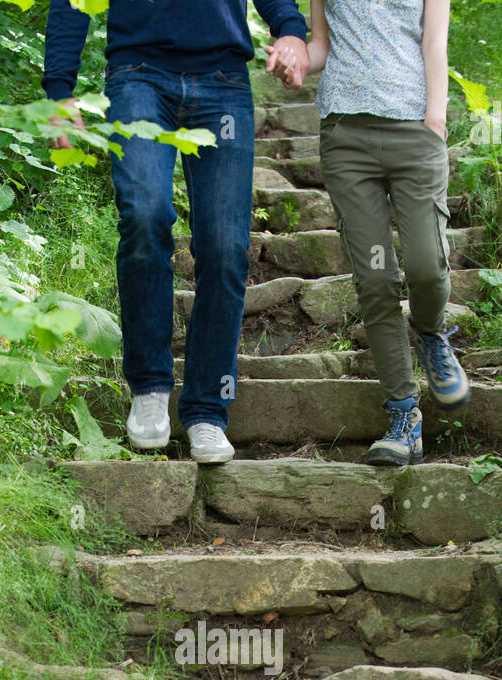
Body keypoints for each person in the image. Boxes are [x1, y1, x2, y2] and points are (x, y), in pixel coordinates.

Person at [43, 0, 310, 464]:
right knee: (144, 216)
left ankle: (207, 409)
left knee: (225, 246)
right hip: (138, 76)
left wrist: (290, 29)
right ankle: (149, 387)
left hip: (224, 81)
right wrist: (59, 89)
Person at [272, 0, 470, 466]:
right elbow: (322, 47)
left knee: (426, 265)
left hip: (415, 132)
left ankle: (430, 333)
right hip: (346, 140)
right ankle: (403, 416)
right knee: (376, 278)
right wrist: (295, 62)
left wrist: (435, 121)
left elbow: (434, 42)